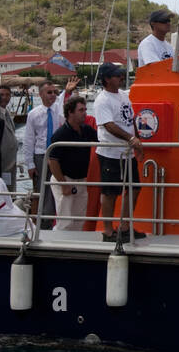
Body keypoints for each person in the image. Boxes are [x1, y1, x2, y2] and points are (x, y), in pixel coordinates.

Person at [92, 62, 144, 242]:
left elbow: (130, 119)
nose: (121, 78)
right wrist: (131, 139)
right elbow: (109, 125)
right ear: (106, 79)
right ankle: (107, 231)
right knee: (110, 192)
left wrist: (137, 140)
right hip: (110, 152)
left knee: (134, 188)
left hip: (127, 152)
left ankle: (124, 226)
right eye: (116, 75)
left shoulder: (123, 95)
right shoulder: (102, 100)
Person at [24, 77, 79, 228]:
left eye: (54, 92)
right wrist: (29, 163)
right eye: (49, 92)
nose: (53, 95)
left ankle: (54, 219)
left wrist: (67, 90)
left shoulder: (59, 109)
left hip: (58, 155)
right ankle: (40, 221)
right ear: (41, 94)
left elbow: (64, 102)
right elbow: (29, 140)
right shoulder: (33, 114)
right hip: (41, 154)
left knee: (59, 185)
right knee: (42, 188)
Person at [47, 95, 98, 231]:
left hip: (81, 180)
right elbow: (52, 162)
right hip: (64, 179)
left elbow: (102, 140)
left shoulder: (86, 130)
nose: (85, 113)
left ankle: (76, 246)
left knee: (79, 219)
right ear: (70, 112)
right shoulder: (60, 134)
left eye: (85, 110)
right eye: (81, 110)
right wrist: (64, 184)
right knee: (65, 220)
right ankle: (60, 248)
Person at [0, 84, 19, 190]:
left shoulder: (7, 113)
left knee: (9, 192)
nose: (5, 97)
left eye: (7, 95)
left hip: (10, 163)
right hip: (1, 164)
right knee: (3, 192)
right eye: (1, 95)